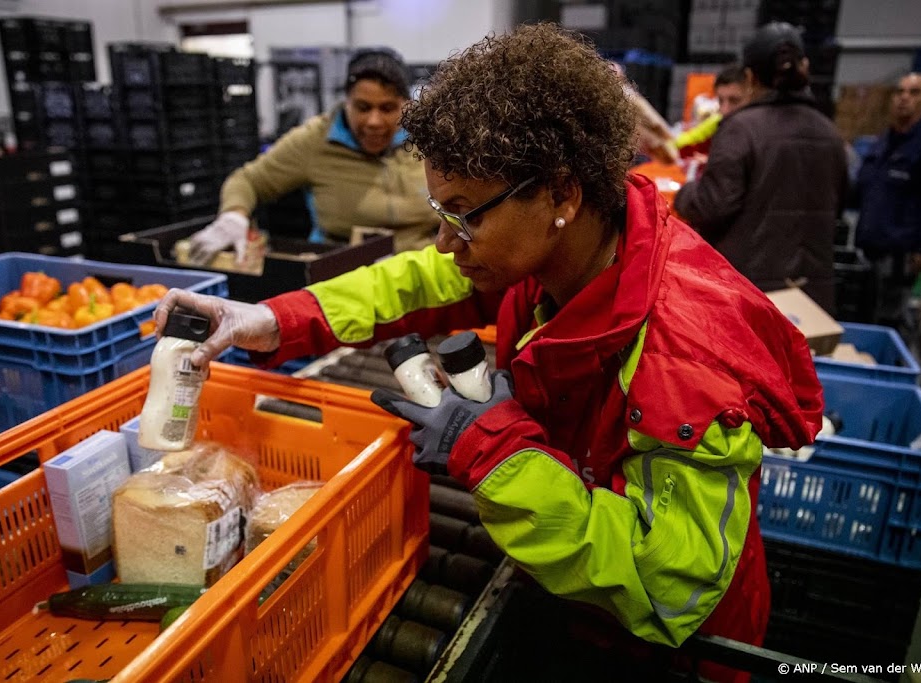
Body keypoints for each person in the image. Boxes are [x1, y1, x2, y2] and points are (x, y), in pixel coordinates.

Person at [156, 23, 823, 682]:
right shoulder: (570, 248)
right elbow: (417, 280)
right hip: (574, 599)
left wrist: (497, 450)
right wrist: (270, 318)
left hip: (675, 655)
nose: (448, 242)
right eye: (441, 214)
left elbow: (666, 585)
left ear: (561, 192)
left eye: (466, 214)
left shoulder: (684, 361)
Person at [188, 47, 439, 265]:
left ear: (406, 105)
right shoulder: (315, 141)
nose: (374, 121)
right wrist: (234, 214)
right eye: (363, 108)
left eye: (387, 108)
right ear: (346, 102)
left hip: (424, 271)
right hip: (346, 275)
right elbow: (248, 181)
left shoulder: (427, 138)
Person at [674, 23, 848, 313]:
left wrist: (686, 193)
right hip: (811, 297)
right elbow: (839, 204)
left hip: (751, 294)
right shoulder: (830, 133)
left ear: (750, 78)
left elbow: (712, 206)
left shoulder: (740, 129)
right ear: (803, 68)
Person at [853, 72, 921, 328]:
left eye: (914, 93)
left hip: (899, 253)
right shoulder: (883, 141)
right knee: (863, 313)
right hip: (870, 245)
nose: (904, 98)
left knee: (888, 318)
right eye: (899, 91)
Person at [676, 63, 750, 159]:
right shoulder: (716, 122)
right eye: (720, 100)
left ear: (752, 97)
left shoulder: (765, 133)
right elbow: (682, 143)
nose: (724, 110)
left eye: (734, 101)